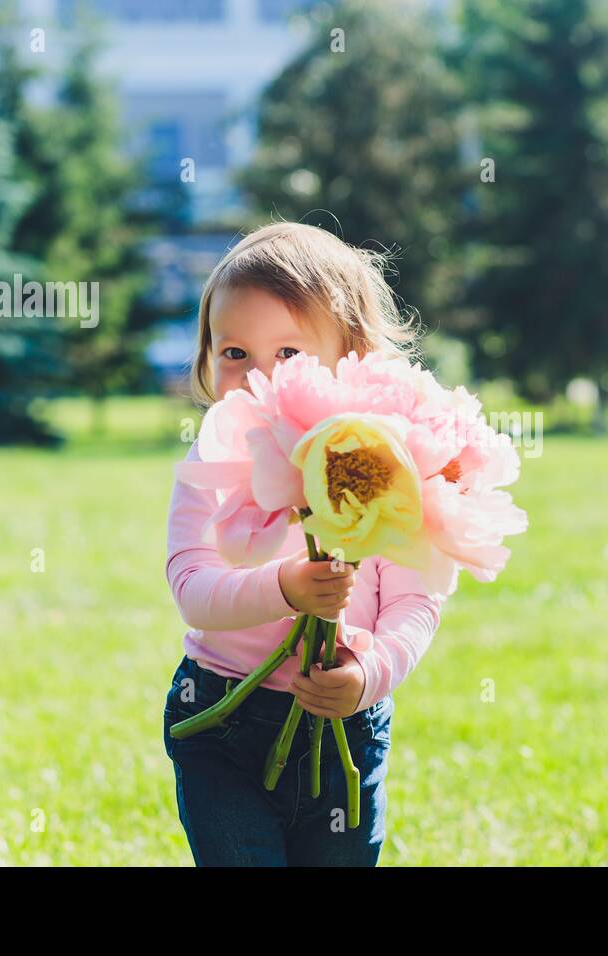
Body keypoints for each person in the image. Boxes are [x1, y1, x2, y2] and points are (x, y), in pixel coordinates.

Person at [162, 222, 443, 865]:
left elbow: (414, 603)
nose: (260, 378)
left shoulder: (382, 468)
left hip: (343, 729)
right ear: (206, 359)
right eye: (234, 353)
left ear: (353, 355)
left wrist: (370, 673)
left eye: (289, 355)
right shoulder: (213, 456)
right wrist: (283, 587)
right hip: (222, 722)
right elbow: (193, 589)